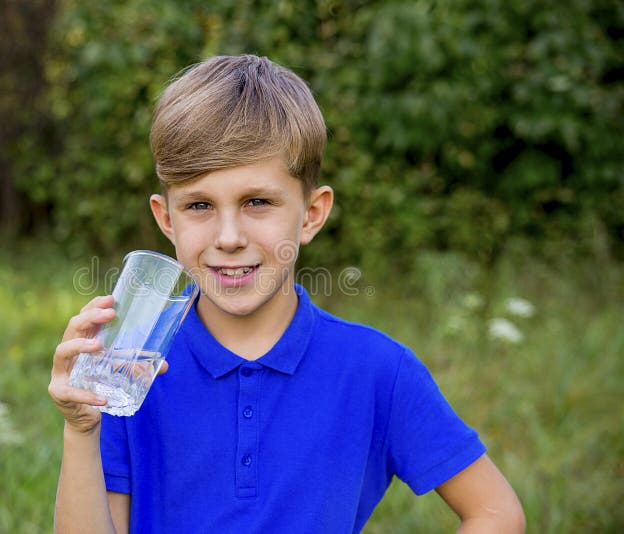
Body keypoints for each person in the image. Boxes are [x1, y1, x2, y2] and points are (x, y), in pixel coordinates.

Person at [49, 54, 525, 533]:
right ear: (166, 218)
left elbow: (496, 512)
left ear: (312, 214)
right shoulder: (128, 368)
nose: (229, 236)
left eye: (257, 202)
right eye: (199, 205)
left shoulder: (377, 371)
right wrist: (81, 427)